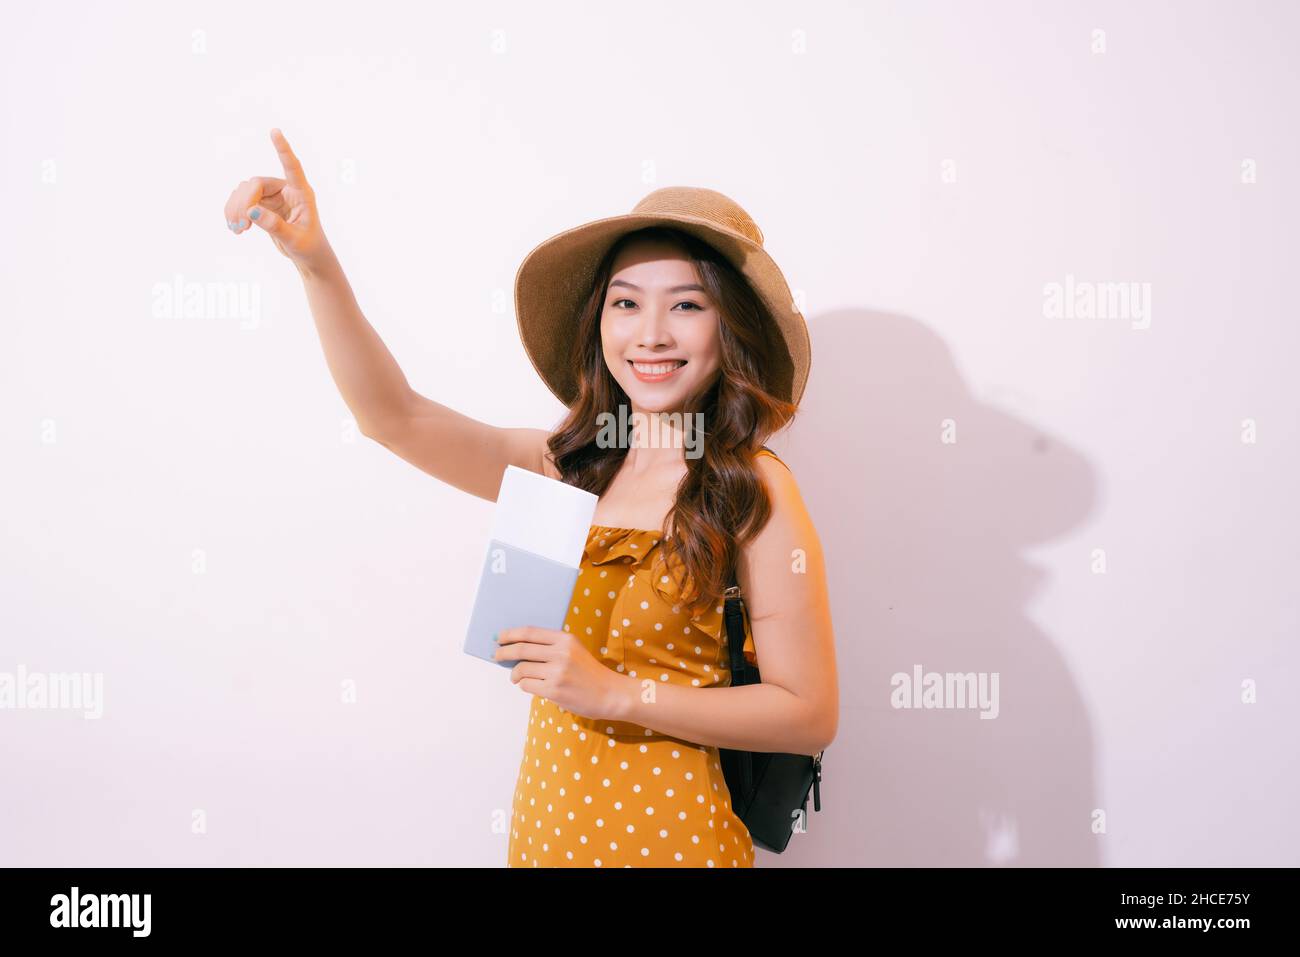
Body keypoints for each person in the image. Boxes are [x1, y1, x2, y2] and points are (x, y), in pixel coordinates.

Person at [223, 129, 838, 867]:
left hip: (677, 846)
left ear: (728, 327)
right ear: (599, 322)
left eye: (686, 306)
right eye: (625, 303)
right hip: (547, 839)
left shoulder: (753, 485)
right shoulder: (567, 466)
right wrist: (315, 264)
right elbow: (394, 418)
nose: (649, 334)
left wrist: (615, 692)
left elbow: (809, 712)